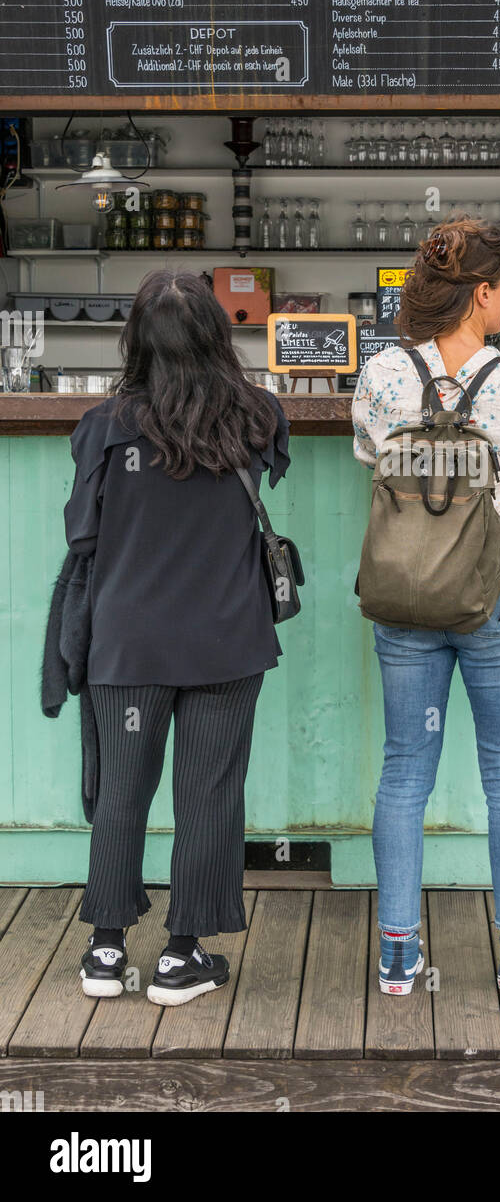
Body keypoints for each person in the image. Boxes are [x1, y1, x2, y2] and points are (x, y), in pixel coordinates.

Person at [351, 214, 500, 995]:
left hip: (402, 598)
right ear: (481, 294)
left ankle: (397, 955)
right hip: (494, 598)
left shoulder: (383, 374)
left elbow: (368, 453)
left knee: (402, 772)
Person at [64, 270, 290, 1006]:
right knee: (209, 796)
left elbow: (83, 532)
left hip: (127, 643)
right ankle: (180, 956)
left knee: (121, 795)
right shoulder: (257, 416)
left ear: (133, 338)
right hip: (226, 641)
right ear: (218, 336)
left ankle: (104, 952)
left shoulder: (104, 426)